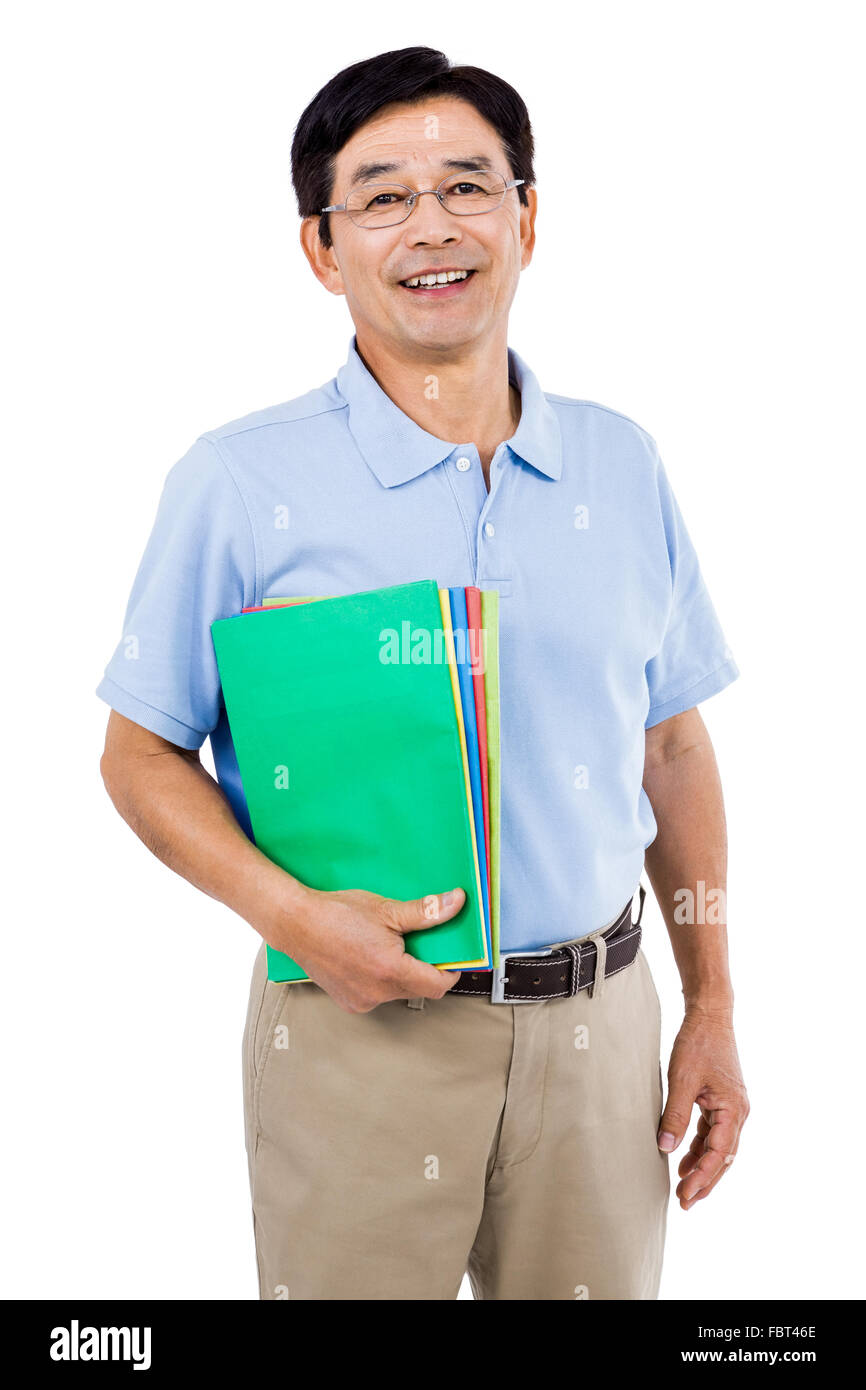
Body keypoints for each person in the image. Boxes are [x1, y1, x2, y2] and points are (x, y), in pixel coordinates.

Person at [96, 46, 749, 1301]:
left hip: (601, 1028)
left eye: (468, 183)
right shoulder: (239, 482)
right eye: (382, 195)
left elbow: (669, 739)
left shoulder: (621, 464)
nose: (432, 223)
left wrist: (709, 1002)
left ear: (528, 217)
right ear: (321, 249)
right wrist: (291, 918)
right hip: (357, 1035)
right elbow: (137, 754)